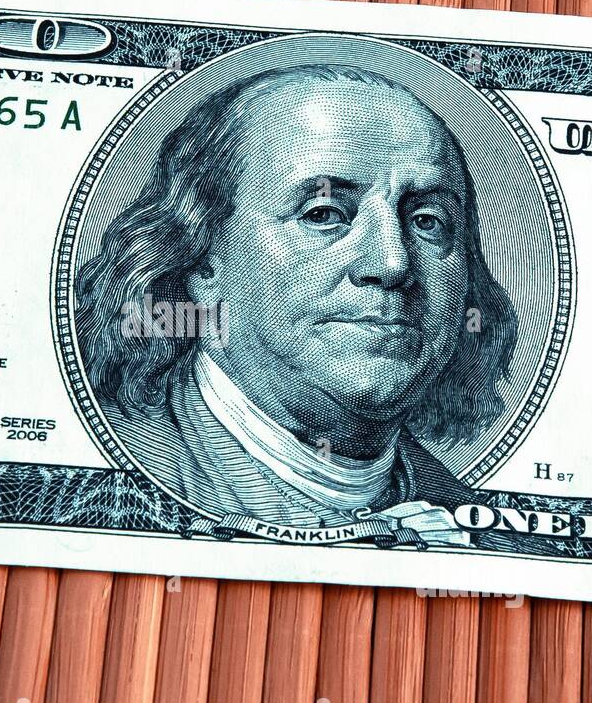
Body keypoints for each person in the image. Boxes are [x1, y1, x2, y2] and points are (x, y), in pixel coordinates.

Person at [75, 63, 517, 544]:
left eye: (428, 221)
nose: (392, 263)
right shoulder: (96, 488)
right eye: (324, 214)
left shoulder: (491, 533)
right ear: (202, 259)